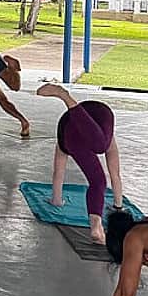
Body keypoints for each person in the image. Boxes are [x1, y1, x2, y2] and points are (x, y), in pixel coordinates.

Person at [37, 84, 123, 244]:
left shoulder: (71, 141)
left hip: (90, 119)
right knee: (100, 150)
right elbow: (115, 175)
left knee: (99, 176)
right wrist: (118, 206)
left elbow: (58, 174)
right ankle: (65, 96)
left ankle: (96, 226)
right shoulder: (105, 140)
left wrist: (56, 200)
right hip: (81, 121)